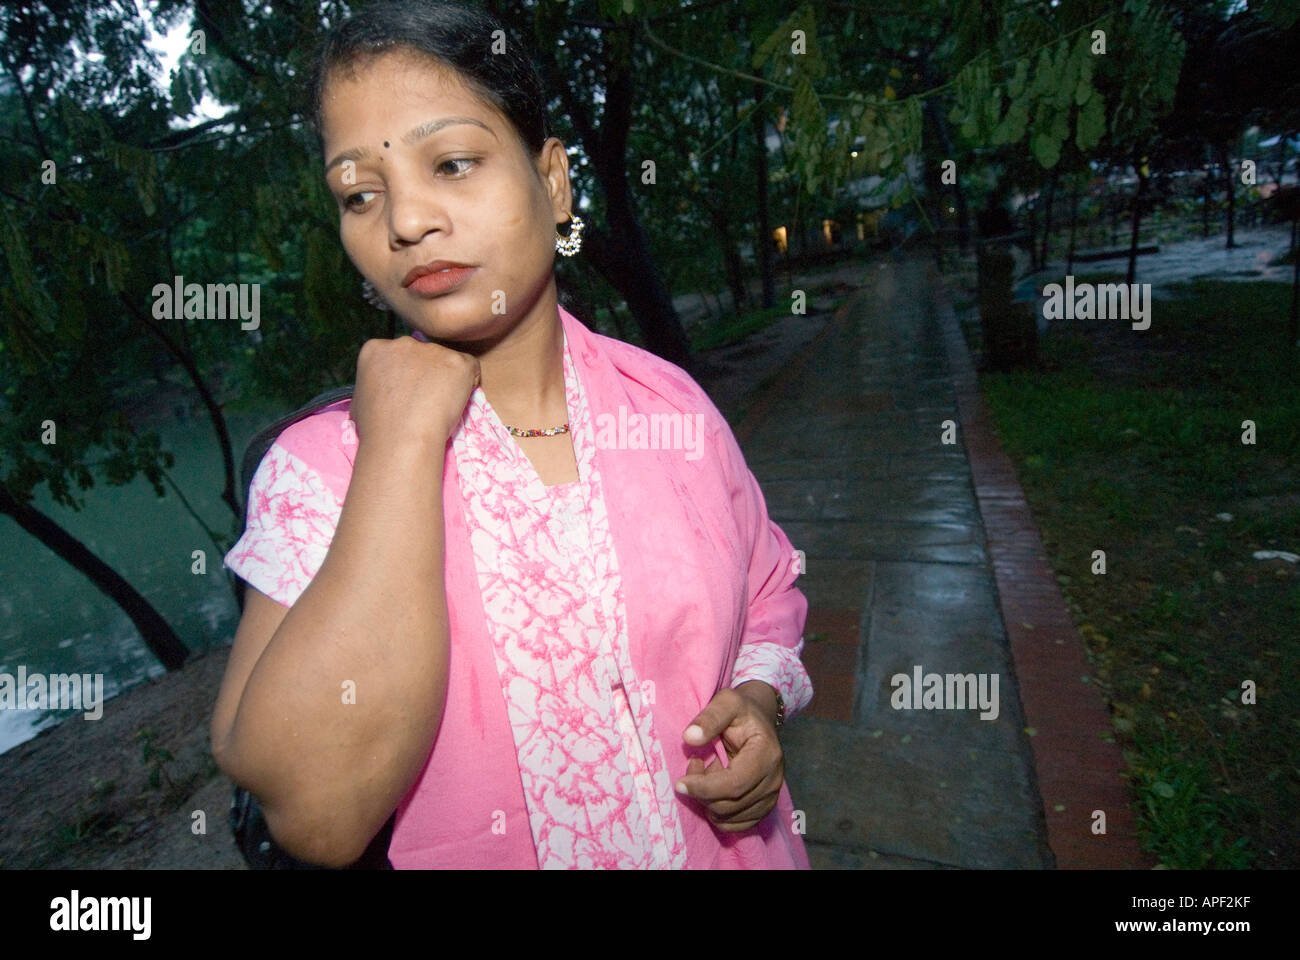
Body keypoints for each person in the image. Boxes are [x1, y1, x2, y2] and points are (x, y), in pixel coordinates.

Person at [210, 0, 813, 869]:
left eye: (452, 162)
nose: (406, 222)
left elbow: (770, 592)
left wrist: (757, 702)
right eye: (359, 193)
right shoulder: (324, 473)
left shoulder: (667, 404)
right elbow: (315, 813)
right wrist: (402, 447)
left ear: (555, 181)